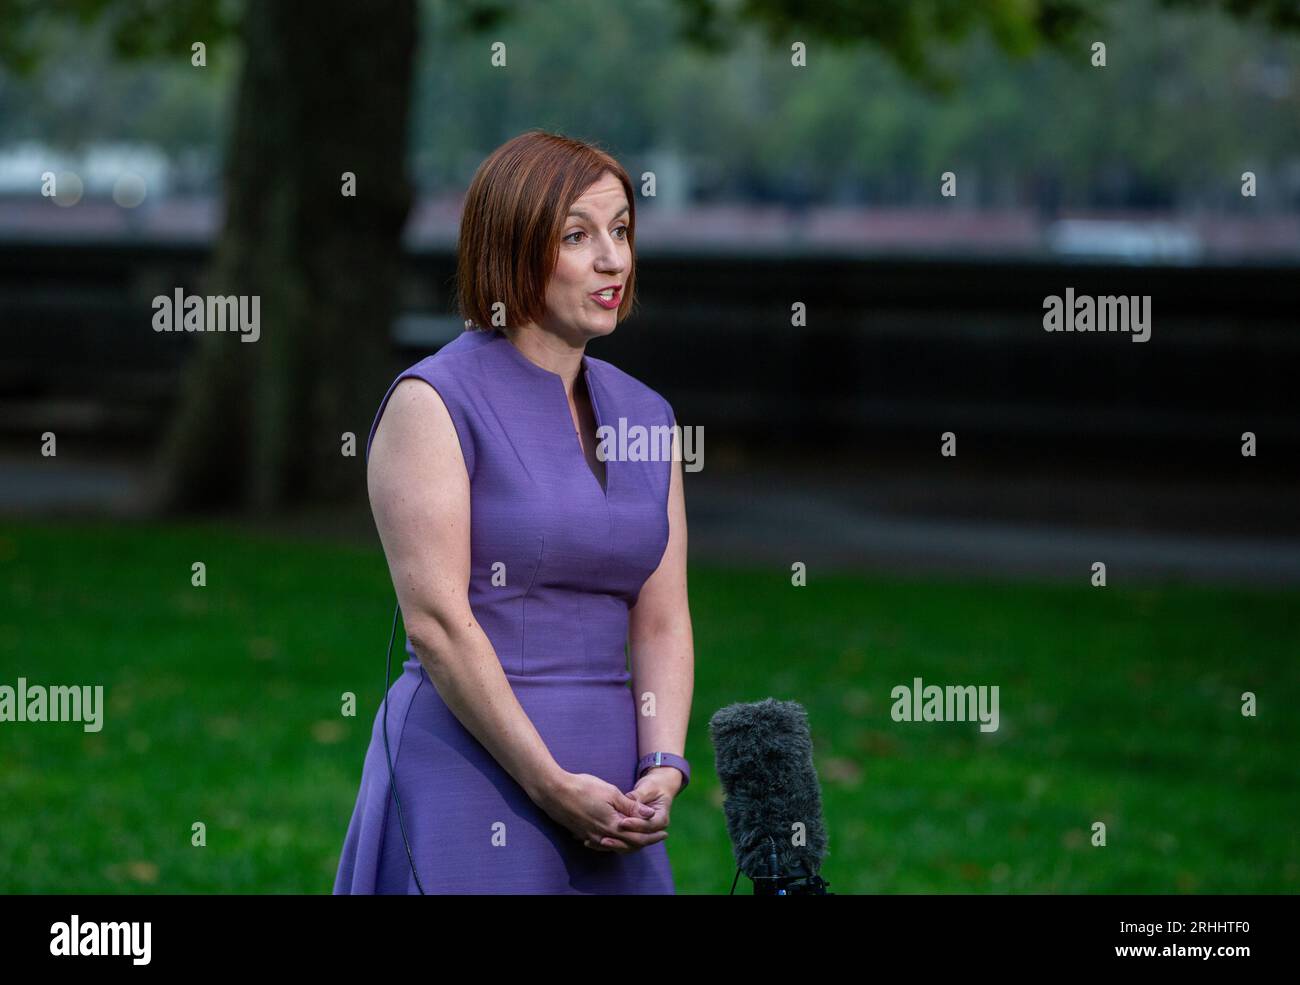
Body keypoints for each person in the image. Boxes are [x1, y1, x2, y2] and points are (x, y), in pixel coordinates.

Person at [333, 130, 695, 893]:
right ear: (515, 247)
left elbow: (662, 618)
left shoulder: (649, 414)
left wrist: (663, 762)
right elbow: (435, 623)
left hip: (616, 783)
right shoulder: (433, 401)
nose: (613, 259)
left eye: (622, 230)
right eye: (578, 235)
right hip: (474, 765)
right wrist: (550, 784)